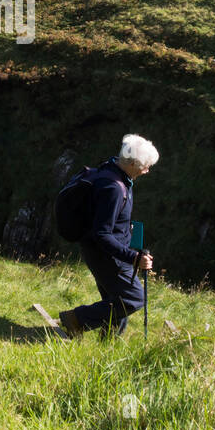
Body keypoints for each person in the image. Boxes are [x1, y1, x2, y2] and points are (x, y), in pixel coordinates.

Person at [59, 134, 159, 338]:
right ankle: (76, 319)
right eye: (146, 166)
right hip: (107, 255)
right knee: (133, 299)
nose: (147, 170)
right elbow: (102, 234)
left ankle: (108, 346)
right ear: (132, 163)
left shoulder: (111, 170)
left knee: (116, 301)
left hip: (100, 250)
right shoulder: (114, 188)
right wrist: (134, 258)